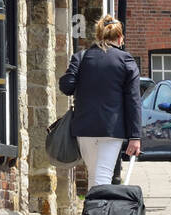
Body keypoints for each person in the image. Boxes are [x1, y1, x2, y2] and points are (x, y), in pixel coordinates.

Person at [58, 14, 142, 187]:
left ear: (98, 36)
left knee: (95, 176)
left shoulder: (81, 58)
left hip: (85, 127)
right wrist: (135, 137)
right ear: (120, 38)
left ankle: (92, 212)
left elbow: (66, 87)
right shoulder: (126, 60)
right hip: (112, 129)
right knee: (102, 177)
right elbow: (133, 100)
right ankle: (98, 213)